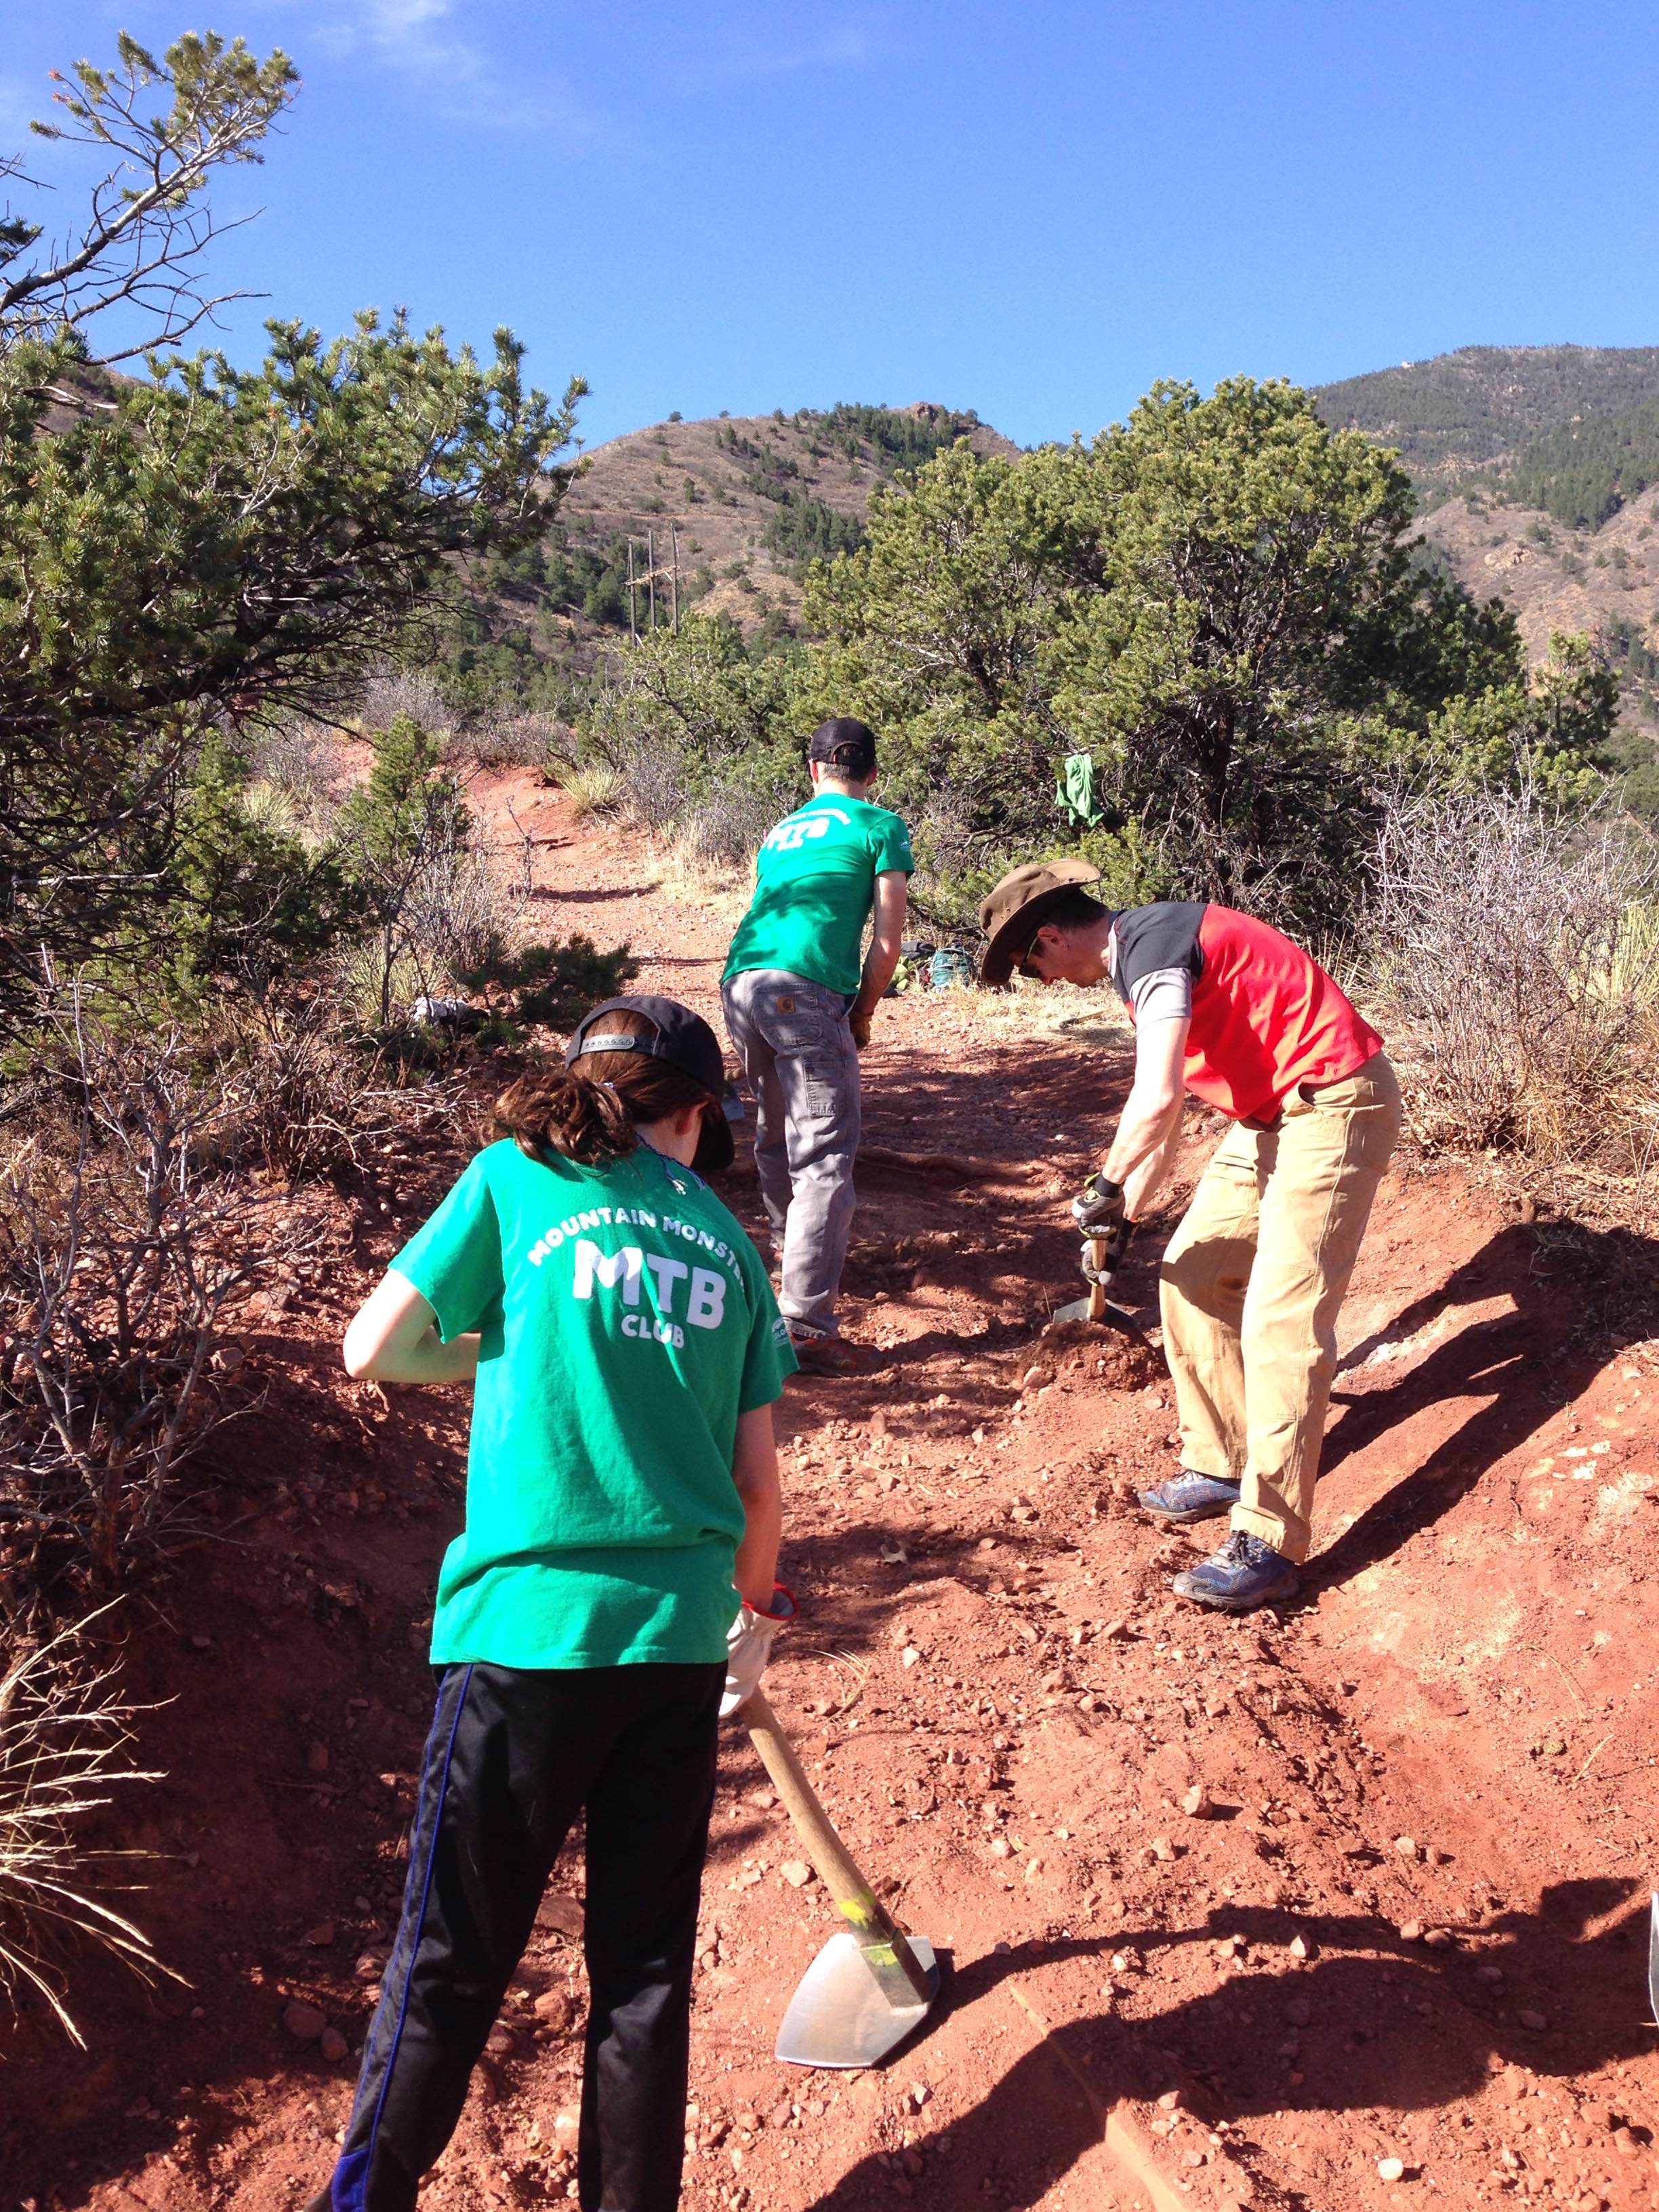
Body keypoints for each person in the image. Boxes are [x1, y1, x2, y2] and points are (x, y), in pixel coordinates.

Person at [305, 996, 796, 2212]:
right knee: (643, 1973)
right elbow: (759, 1488)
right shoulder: (729, 1244)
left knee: (452, 1958)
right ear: (694, 1115)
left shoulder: (514, 1176)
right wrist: (749, 1625)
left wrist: (507, 1338)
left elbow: (371, 1349)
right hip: (676, 1645)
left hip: (526, 1639)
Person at [978, 862, 1402, 1614]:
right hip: (1270, 1118)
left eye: (1030, 964)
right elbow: (1168, 1115)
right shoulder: (1144, 956)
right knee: (1192, 1276)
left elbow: (1156, 1098)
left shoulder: (1154, 948)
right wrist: (1129, 1215)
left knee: (1282, 1322)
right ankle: (1223, 1461)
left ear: (1050, 938)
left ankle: (1270, 1542)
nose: (1041, 980)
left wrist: (1105, 1184)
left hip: (1334, 1104)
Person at [720, 716, 913, 1378]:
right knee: (825, 1157)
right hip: (805, 991)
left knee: (777, 1134)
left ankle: (790, 1266)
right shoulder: (880, 825)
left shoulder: (779, 833)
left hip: (742, 982)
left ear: (813, 771)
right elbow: (887, 940)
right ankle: (803, 1326)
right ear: (872, 774)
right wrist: (862, 1012)